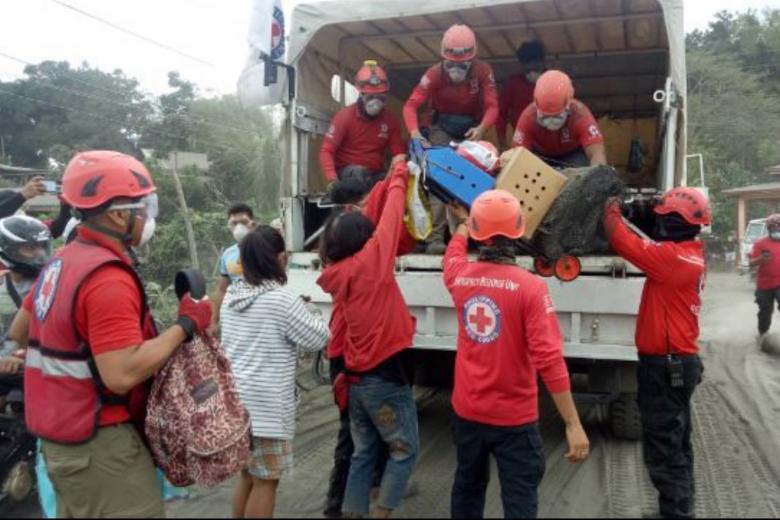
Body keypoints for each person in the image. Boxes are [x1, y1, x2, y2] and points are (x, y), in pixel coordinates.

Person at [11, 150, 213, 518]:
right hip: (100, 445)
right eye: (143, 207)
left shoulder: (60, 261)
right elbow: (120, 375)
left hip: (61, 443)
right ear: (119, 214)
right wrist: (185, 325)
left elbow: (21, 332)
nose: (148, 217)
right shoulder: (106, 277)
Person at [444, 191, 589, 519]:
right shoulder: (531, 288)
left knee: (467, 488)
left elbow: (452, 256)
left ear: (479, 235)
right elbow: (549, 360)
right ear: (519, 232)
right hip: (514, 420)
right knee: (519, 499)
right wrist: (572, 423)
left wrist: (463, 225)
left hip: (467, 413)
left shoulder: (459, 278)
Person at [317, 161, 418, 518]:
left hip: (356, 378)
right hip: (384, 376)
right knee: (404, 450)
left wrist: (389, 179)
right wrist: (399, 176)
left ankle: (350, 512)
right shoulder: (372, 265)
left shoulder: (337, 270)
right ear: (364, 240)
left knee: (362, 452)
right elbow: (390, 219)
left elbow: (376, 223)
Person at [603, 187, 710, 519]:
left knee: (664, 449)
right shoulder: (689, 253)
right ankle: (679, 510)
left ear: (675, 223)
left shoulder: (672, 259)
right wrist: (646, 211)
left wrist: (610, 209)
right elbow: (653, 236)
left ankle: (676, 514)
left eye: (665, 217)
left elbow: (623, 241)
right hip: (677, 363)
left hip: (665, 367)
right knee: (678, 444)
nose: (660, 223)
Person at [222, 225, 330, 519]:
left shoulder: (232, 296)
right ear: (280, 259)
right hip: (267, 409)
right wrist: (308, 312)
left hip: (235, 404)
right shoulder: (281, 300)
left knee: (247, 476)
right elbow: (318, 337)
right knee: (266, 481)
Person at [403, 24, 498, 254]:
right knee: (438, 177)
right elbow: (410, 106)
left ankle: (481, 236)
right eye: (450, 63)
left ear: (472, 59)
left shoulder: (483, 71)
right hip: (442, 127)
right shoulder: (434, 73)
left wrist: (482, 128)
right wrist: (416, 135)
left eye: (461, 63)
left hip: (472, 129)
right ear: (443, 59)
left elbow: (493, 106)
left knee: (478, 178)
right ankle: (435, 239)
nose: (455, 68)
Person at [320, 61, 406, 196]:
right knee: (360, 174)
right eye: (371, 97)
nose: (376, 102)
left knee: (397, 182)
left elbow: (398, 153)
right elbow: (326, 151)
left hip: (374, 173)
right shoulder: (344, 117)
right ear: (360, 94)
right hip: (349, 175)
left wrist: (398, 172)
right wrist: (332, 180)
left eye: (381, 98)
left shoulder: (391, 121)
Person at [511, 70, 606, 168]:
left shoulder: (580, 114)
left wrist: (599, 176)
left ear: (569, 106)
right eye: (545, 116)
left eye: (557, 116)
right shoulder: (528, 117)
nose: (551, 121)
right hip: (541, 155)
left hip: (573, 154)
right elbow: (517, 156)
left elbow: (597, 153)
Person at [212, 203, 257, 330]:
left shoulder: (265, 250)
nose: (238, 227)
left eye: (243, 222)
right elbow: (222, 289)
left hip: (261, 315)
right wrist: (214, 321)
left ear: (253, 224)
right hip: (235, 318)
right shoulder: (227, 254)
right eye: (234, 223)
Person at [496, 41, 546, 151]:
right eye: (528, 69)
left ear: (543, 63)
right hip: (523, 141)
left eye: (536, 68)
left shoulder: (553, 80)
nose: (532, 72)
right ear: (522, 66)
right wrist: (502, 143)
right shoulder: (512, 84)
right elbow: (500, 114)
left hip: (551, 141)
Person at [749, 213, 780, 341]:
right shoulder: (760, 243)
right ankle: (763, 336)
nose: (777, 229)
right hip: (764, 284)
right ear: (768, 228)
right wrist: (761, 258)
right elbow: (751, 263)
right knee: (765, 312)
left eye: (779, 227)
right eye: (774, 227)